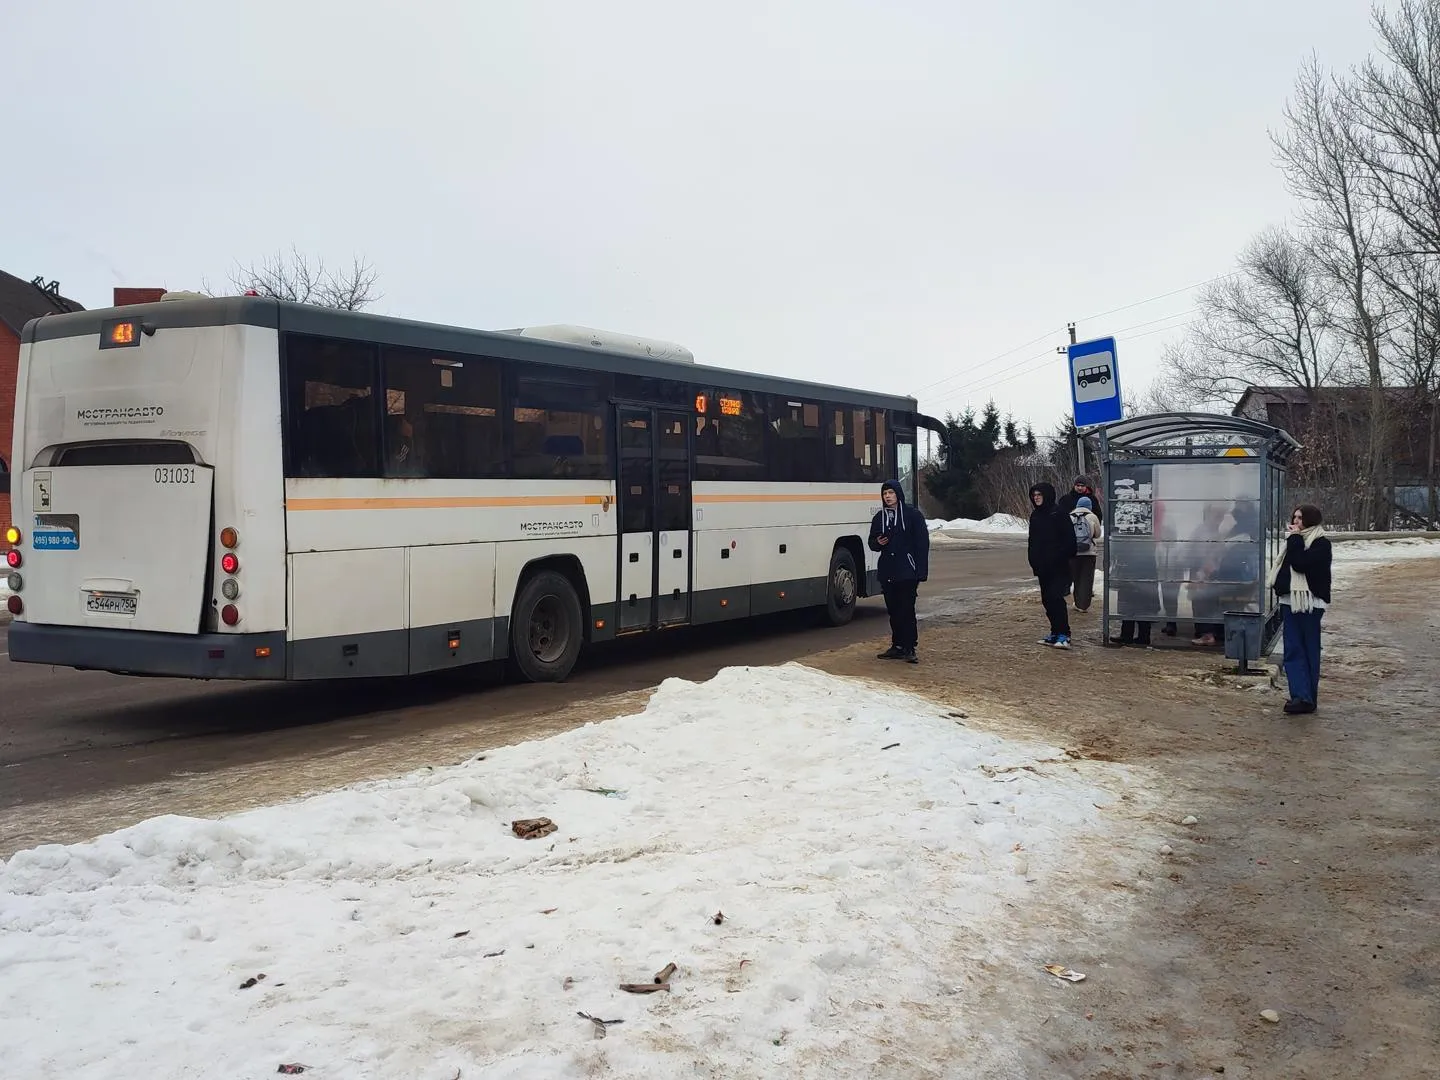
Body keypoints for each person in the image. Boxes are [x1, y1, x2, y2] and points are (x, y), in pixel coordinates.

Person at [1267, 504, 1332, 714]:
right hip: (1290, 602)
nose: (1295, 522)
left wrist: (1294, 539)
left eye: (1300, 518)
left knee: (1308, 650)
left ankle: (1307, 697)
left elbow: (1300, 564)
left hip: (1310, 603)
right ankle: (1300, 696)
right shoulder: (1294, 542)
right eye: (1294, 517)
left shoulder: (1320, 543)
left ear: (1310, 520)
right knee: (1293, 649)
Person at [869, 479, 929, 663]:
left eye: (891, 493)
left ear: (898, 494)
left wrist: (921, 571)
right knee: (893, 610)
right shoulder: (880, 518)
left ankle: (910, 646)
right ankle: (897, 645)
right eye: (885, 493)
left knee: (906, 610)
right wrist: (878, 542)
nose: (888, 496)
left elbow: (922, 544)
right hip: (888, 572)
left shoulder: (912, 515)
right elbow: (872, 543)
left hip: (907, 571)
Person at [1028, 481, 1079, 648]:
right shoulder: (1035, 516)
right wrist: (1033, 560)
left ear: (1047, 495)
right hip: (1043, 567)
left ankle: (1064, 633)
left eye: (1039, 495)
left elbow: (1070, 542)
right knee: (1047, 600)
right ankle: (1055, 631)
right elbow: (1033, 541)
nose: (1036, 498)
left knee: (1056, 599)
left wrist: (1058, 557)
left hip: (1058, 566)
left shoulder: (1059, 514)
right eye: (1034, 496)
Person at [1067, 495, 1102, 612]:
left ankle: (1076, 602)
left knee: (1076, 578)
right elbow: (1097, 534)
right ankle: (1083, 605)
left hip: (1072, 552)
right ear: (1089, 507)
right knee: (1086, 579)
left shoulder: (1070, 516)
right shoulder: (1092, 517)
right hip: (1089, 553)